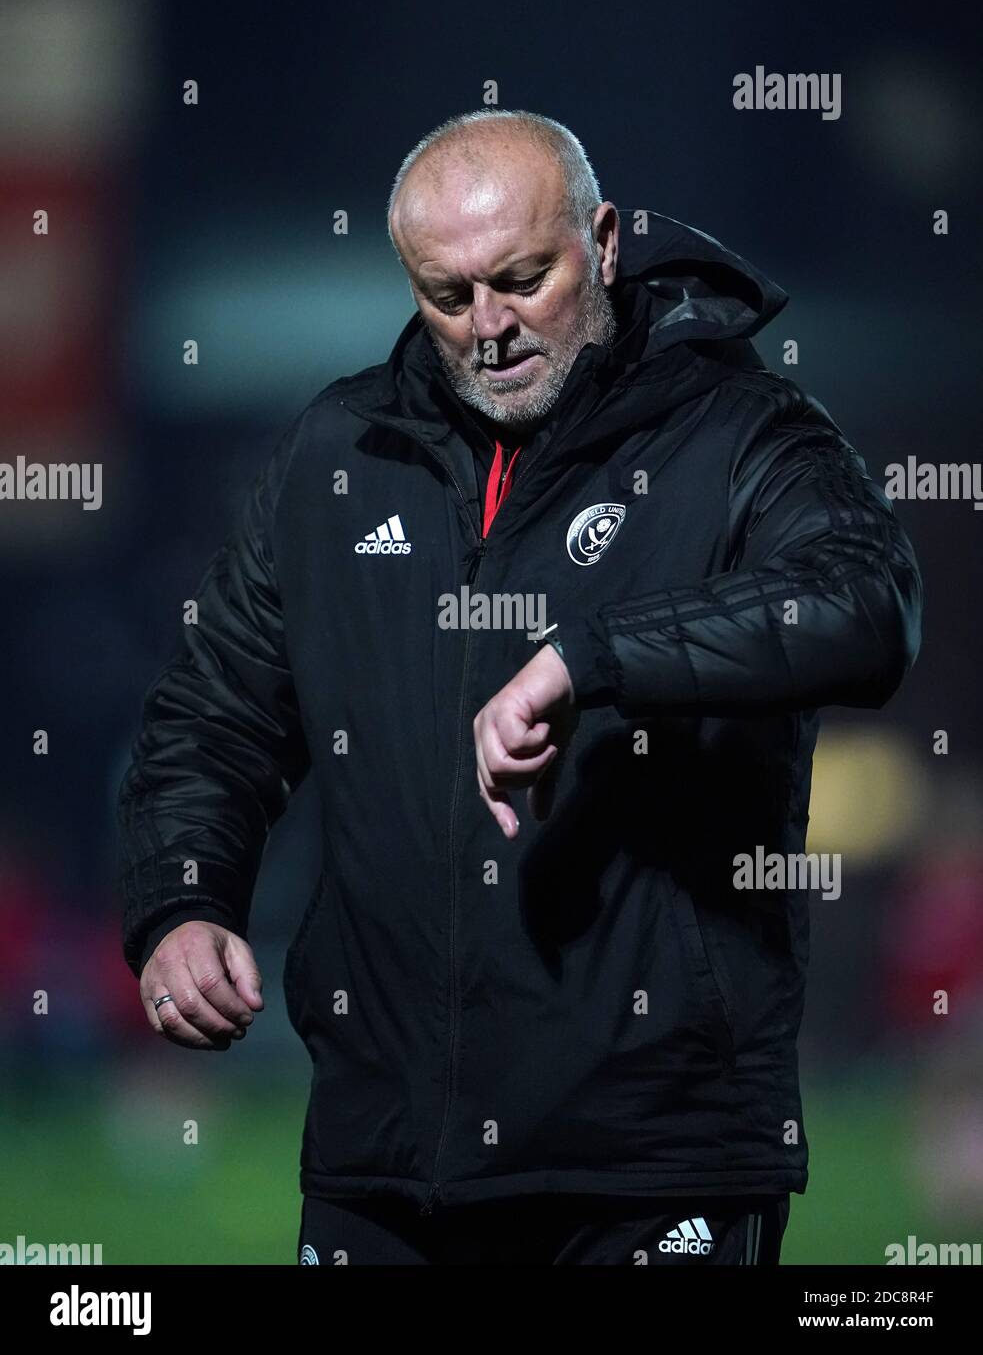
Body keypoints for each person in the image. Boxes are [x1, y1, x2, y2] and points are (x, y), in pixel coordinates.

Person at [118, 108, 922, 1265]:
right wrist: (183, 900)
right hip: (383, 1159)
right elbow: (214, 709)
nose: (488, 327)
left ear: (599, 242)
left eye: (520, 278)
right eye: (448, 296)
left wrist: (593, 655)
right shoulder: (335, 457)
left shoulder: (742, 429)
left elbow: (865, 604)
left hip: (653, 1161)